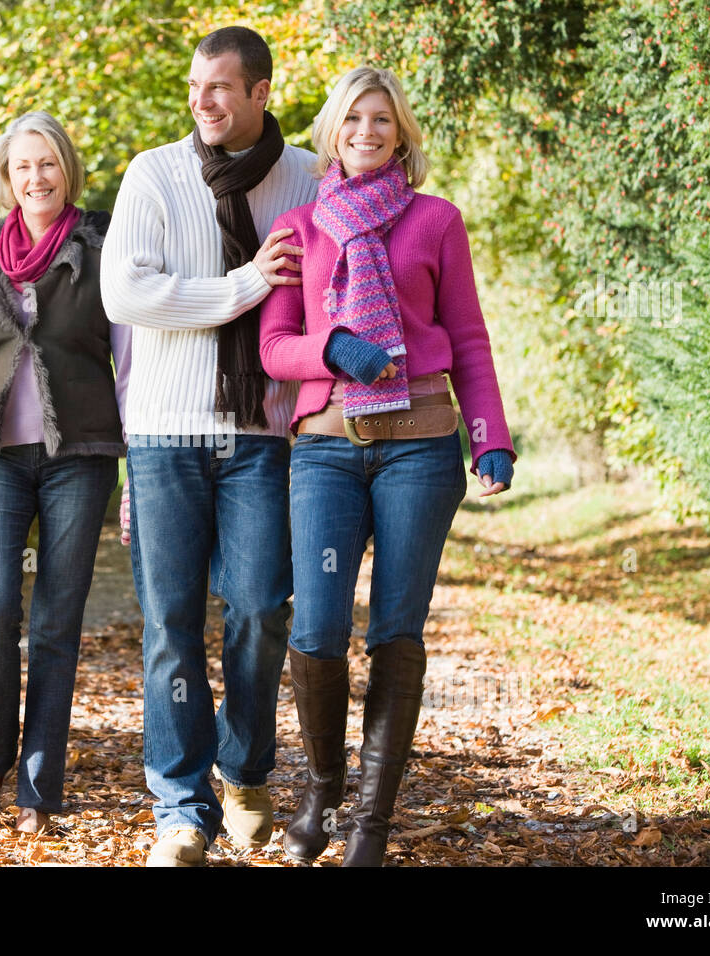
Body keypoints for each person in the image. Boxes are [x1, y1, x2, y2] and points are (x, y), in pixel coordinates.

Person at [260, 66, 516, 866]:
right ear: (331, 131)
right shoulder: (301, 228)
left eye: (382, 120)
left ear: (401, 132)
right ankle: (322, 793)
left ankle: (371, 822)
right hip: (328, 450)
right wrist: (332, 347)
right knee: (319, 628)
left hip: (421, 446)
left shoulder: (438, 220)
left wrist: (490, 435)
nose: (367, 131)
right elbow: (274, 348)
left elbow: (468, 338)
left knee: (398, 632)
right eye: (353, 119)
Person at [100, 26, 319, 866]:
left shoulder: (305, 176)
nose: (203, 101)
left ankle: (246, 768)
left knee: (262, 610)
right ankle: (180, 810)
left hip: (263, 432)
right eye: (196, 87)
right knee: (170, 624)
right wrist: (246, 284)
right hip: (164, 434)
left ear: (262, 92)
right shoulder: (154, 173)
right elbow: (129, 294)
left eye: (222, 87)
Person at [0, 111, 129, 834]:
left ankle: (40, 785)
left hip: (82, 457)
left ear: (66, 168)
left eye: (47, 164)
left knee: (55, 624)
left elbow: (128, 367)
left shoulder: (102, 248)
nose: (35, 177)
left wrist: (138, 478)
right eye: (21, 167)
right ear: (4, 179)